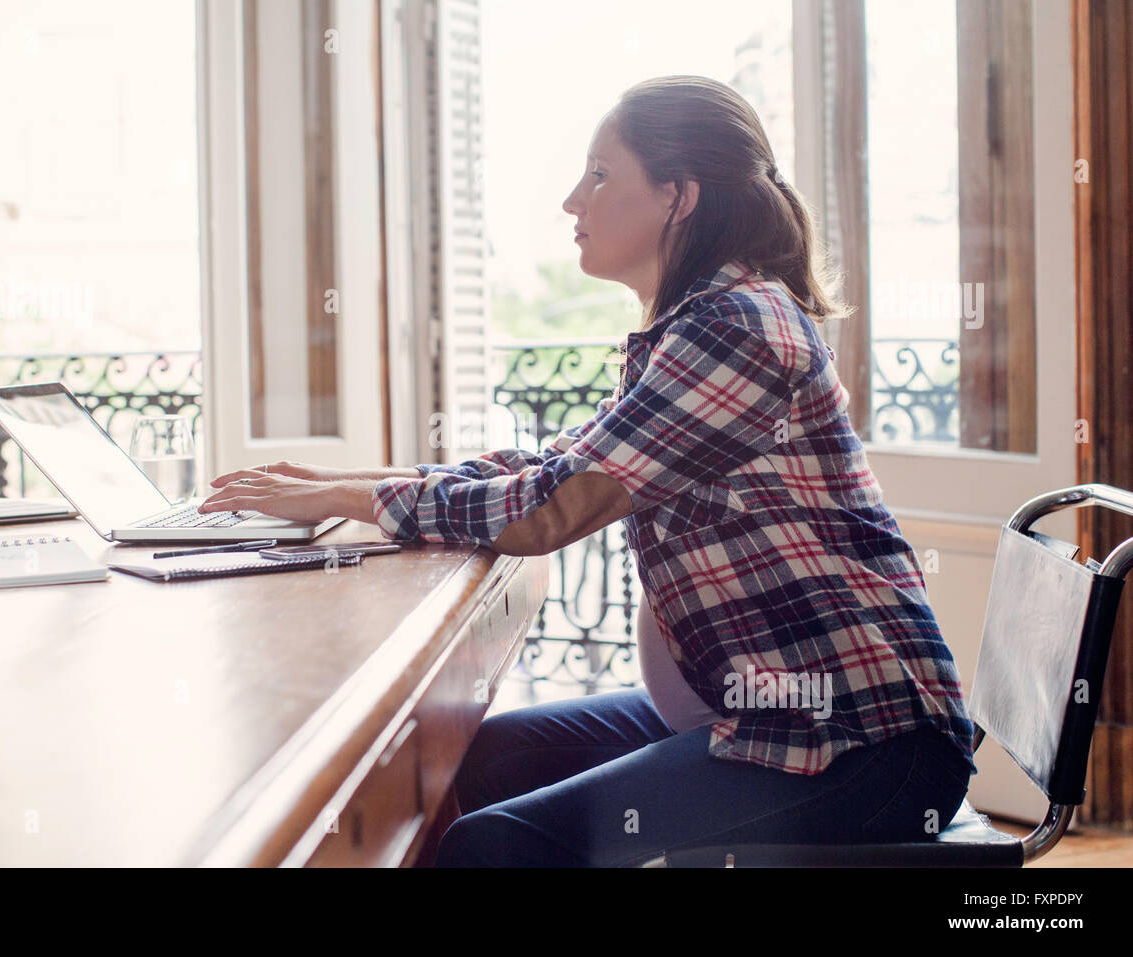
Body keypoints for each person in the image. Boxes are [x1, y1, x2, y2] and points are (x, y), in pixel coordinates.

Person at [199, 75, 978, 867]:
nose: (574, 200)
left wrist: (354, 496)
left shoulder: (736, 326)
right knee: (469, 762)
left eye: (600, 174)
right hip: (759, 712)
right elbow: (551, 465)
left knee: (494, 845)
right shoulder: (694, 323)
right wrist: (349, 482)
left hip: (862, 741)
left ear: (678, 196)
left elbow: (552, 506)